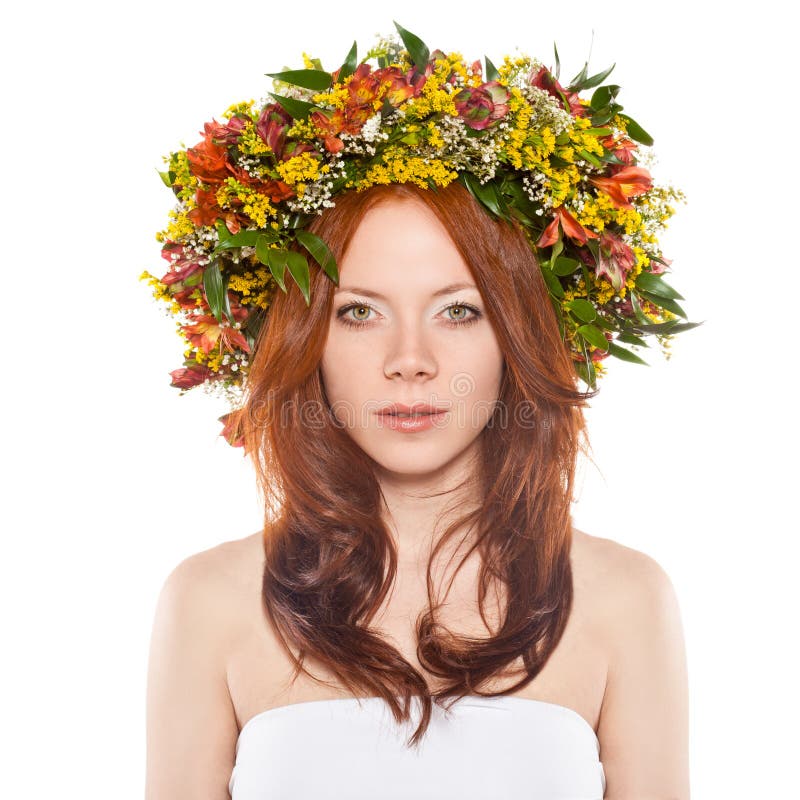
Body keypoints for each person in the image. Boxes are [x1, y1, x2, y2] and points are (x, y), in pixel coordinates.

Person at [144, 26, 691, 800]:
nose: (410, 359)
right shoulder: (208, 602)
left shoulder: (625, 600)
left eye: (459, 312)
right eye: (360, 313)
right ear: (305, 338)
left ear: (518, 336)